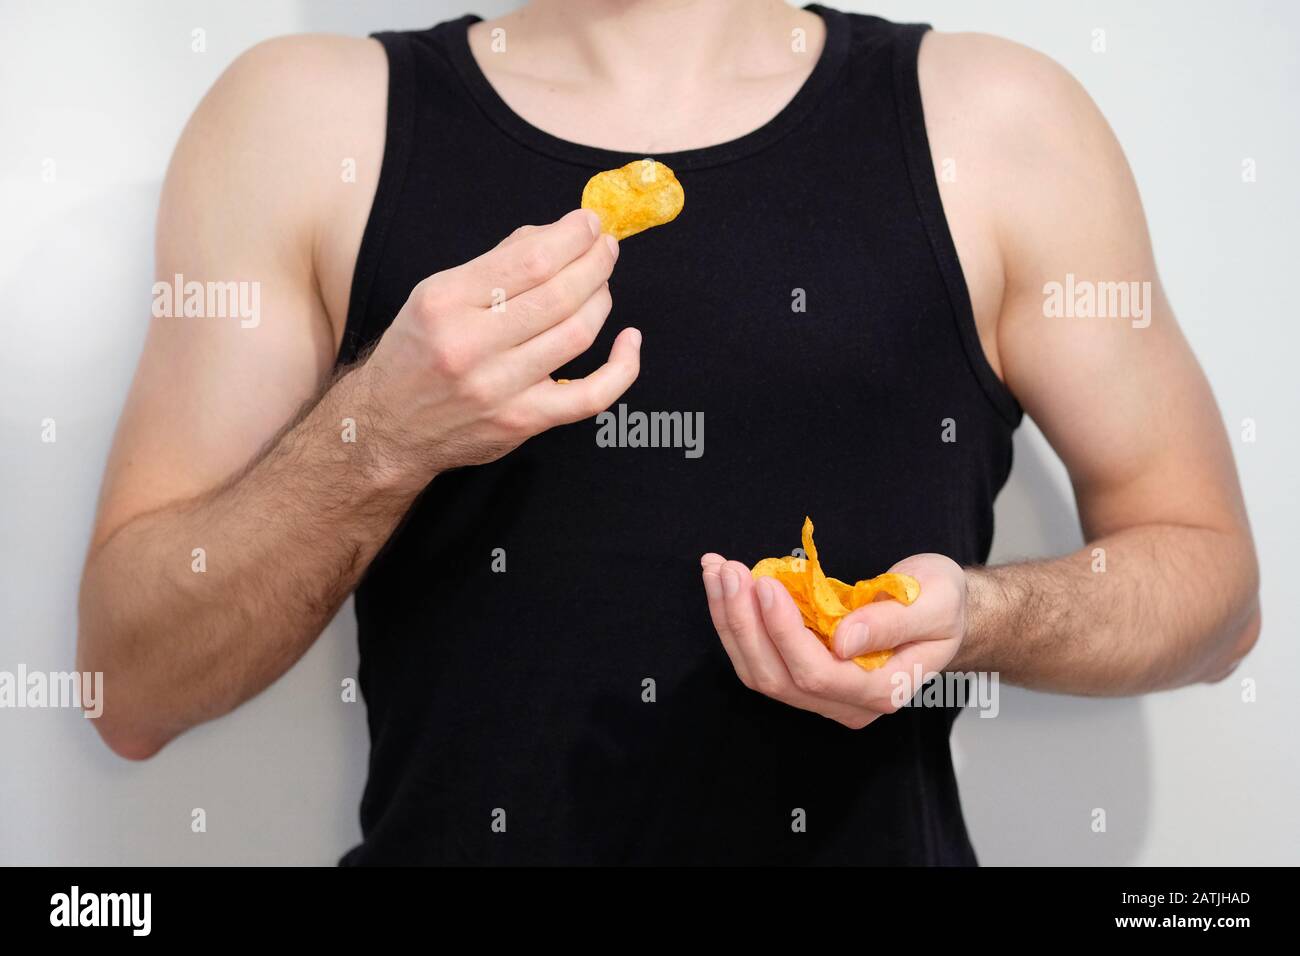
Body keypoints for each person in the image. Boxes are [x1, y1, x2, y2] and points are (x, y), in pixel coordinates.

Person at [77, 1, 1259, 864]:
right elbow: (131, 685)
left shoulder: (996, 122)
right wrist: (378, 435)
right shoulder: (301, 121)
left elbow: (1214, 591)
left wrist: (977, 617)